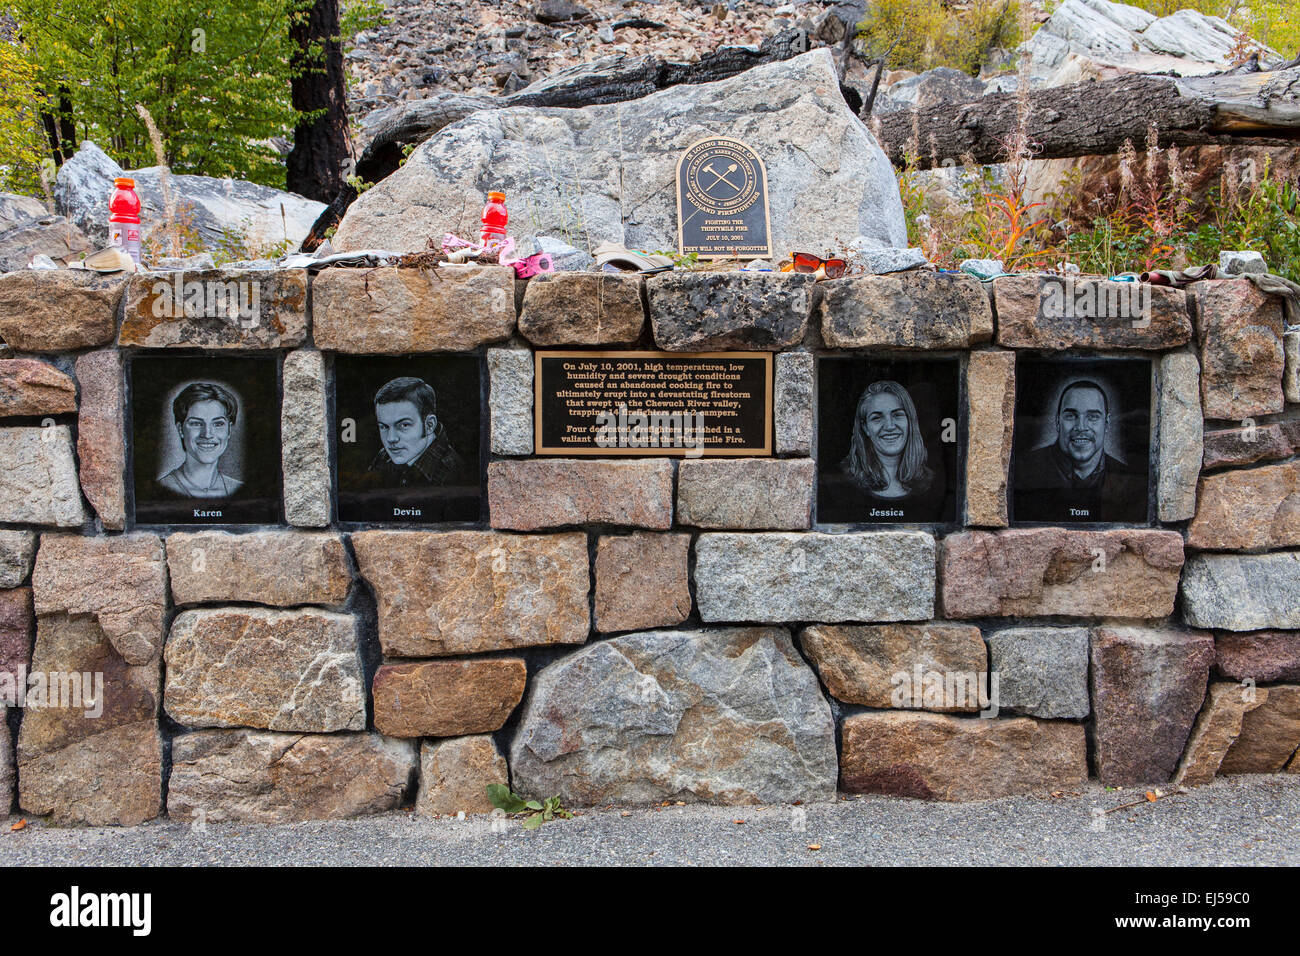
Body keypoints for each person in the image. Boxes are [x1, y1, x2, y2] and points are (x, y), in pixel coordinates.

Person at [1014, 378, 1146, 521]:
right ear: (1058, 422)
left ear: (1107, 423)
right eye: (1071, 416)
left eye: (1093, 417)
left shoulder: (1133, 484)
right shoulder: (1022, 473)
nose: (1081, 427)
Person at [821, 380, 948, 522]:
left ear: (910, 421)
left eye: (897, 415)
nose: (889, 426)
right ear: (865, 427)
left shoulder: (932, 483)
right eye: (876, 417)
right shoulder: (834, 485)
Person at [368, 376, 466, 486]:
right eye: (384, 427)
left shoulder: (450, 472)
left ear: (429, 425)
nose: (391, 439)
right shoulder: (383, 457)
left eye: (404, 425)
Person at [158, 382, 244, 498]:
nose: (207, 434)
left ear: (229, 430)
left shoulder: (238, 488)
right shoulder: (162, 488)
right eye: (196, 423)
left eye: (218, 424)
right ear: (180, 429)